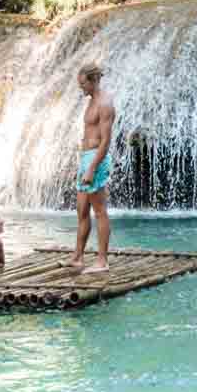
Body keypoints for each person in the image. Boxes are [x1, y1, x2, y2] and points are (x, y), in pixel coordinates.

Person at [64, 62, 114, 274]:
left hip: (96, 159)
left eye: (83, 83)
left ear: (93, 80)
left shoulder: (105, 104)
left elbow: (105, 141)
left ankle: (102, 261)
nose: (80, 87)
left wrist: (92, 168)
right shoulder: (92, 100)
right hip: (86, 157)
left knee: (100, 211)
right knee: (82, 210)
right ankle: (77, 257)